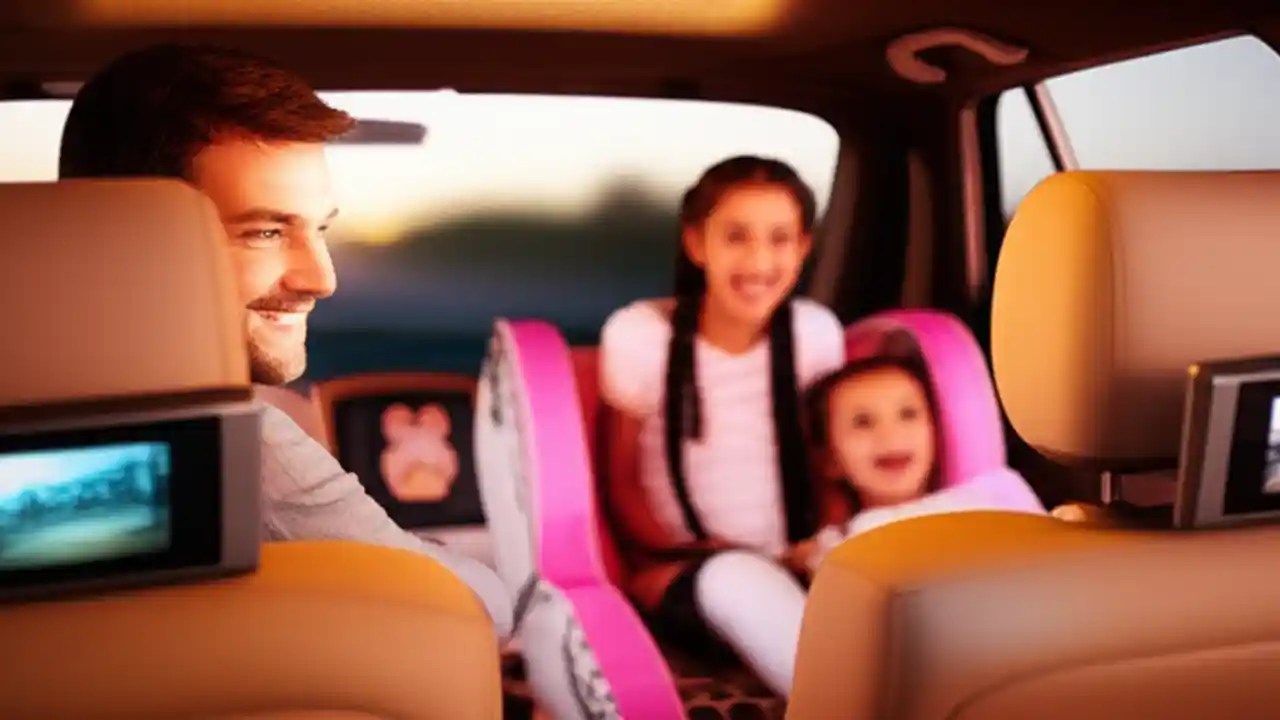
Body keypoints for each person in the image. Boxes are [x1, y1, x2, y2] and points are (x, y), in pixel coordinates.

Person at [58, 43, 512, 640]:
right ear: (126, 241)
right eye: (265, 231)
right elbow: (472, 614)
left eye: (320, 228)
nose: (321, 279)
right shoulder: (227, 447)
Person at [598, 155, 845, 696]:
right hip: (688, 570)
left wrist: (823, 544)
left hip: (800, 557)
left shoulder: (815, 333)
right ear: (696, 244)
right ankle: (839, 700)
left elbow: (829, 460)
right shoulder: (642, 335)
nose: (759, 260)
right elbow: (620, 482)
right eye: (736, 236)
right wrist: (710, 552)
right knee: (742, 580)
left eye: (780, 238)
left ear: (804, 248)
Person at [798, 351, 1044, 573]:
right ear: (830, 459)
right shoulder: (837, 546)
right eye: (863, 422)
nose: (890, 435)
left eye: (908, 414)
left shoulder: (991, 495)